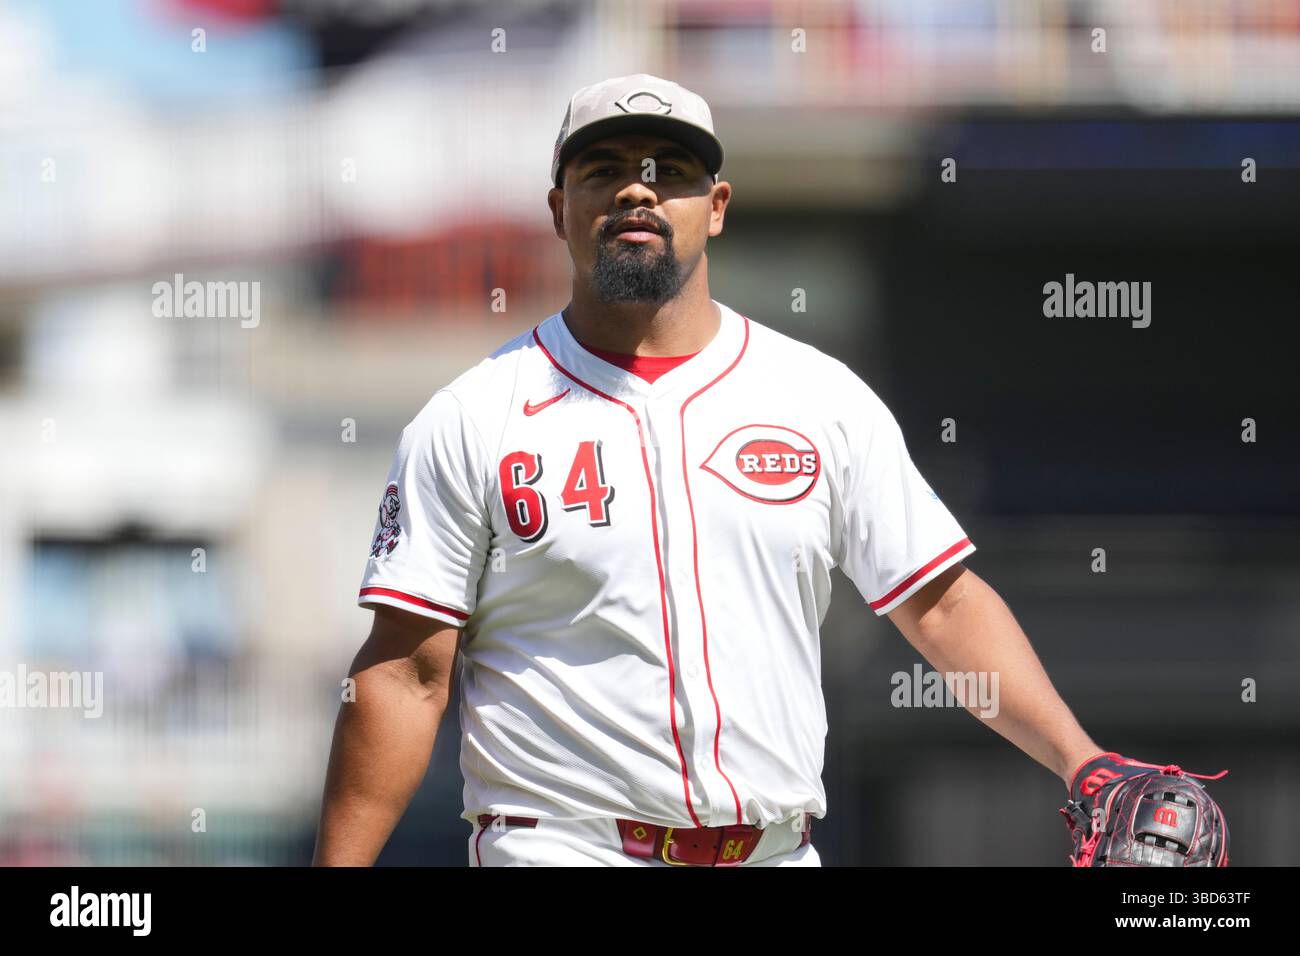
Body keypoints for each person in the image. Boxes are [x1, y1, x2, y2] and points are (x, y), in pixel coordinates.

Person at [312, 74, 1105, 867]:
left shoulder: (820, 397)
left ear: (716, 206)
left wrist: (1083, 761)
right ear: (559, 210)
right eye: (603, 170)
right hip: (566, 847)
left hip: (775, 850)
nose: (636, 190)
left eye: (669, 170)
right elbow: (408, 677)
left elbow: (943, 604)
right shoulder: (472, 416)